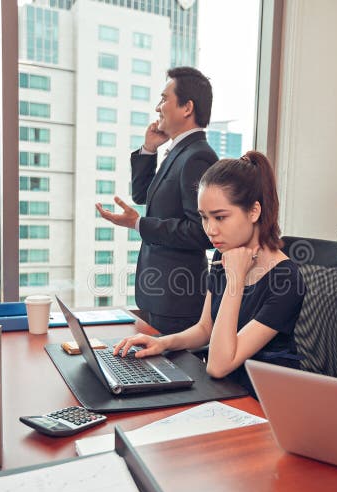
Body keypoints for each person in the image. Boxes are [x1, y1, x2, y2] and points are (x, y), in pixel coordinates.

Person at [113, 151, 306, 396]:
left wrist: (235, 280)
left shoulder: (286, 279)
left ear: (254, 211)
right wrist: (163, 342)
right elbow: (206, 328)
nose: (210, 230)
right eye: (204, 218)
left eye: (220, 217)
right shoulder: (223, 254)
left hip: (264, 398)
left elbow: (218, 366)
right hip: (225, 389)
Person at [96, 67, 217, 335]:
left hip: (177, 300)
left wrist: (139, 224)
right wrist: (149, 149)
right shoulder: (179, 152)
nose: (157, 107)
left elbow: (202, 232)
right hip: (160, 297)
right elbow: (142, 195)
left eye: (164, 99)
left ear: (187, 108)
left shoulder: (198, 157)